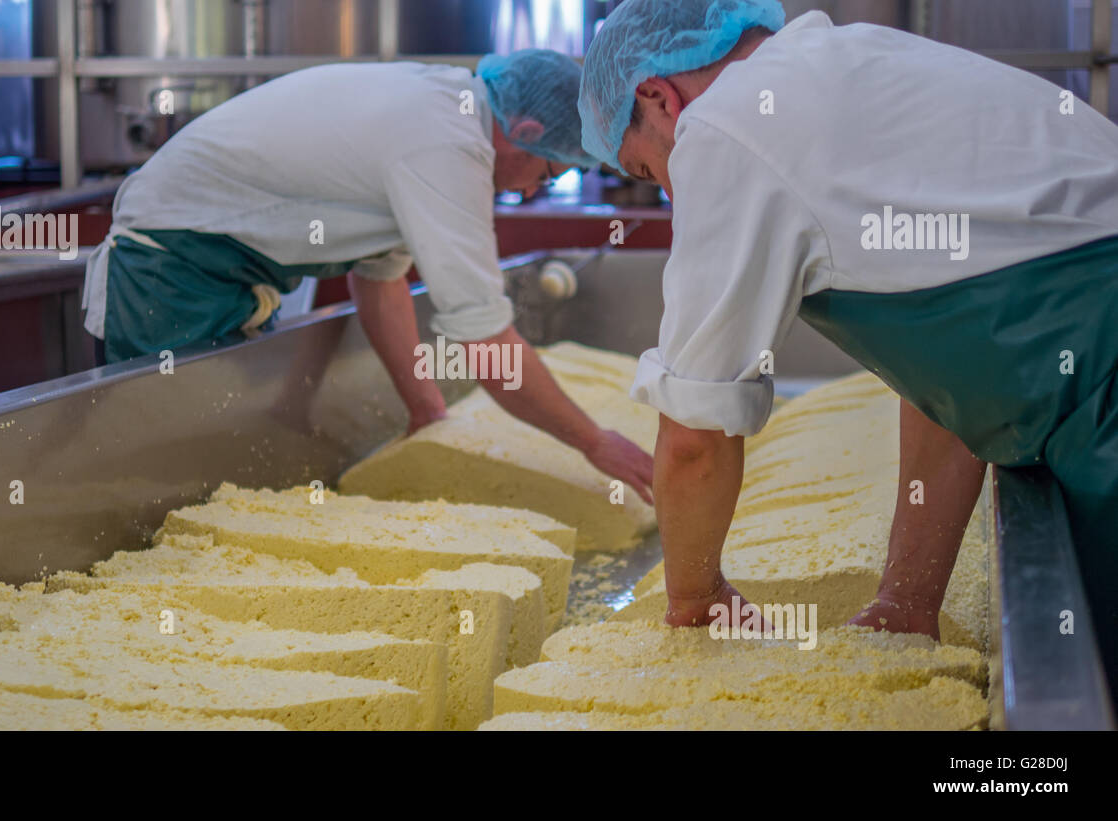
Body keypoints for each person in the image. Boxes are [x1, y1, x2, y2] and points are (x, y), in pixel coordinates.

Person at [580, 0, 1118, 678]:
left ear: (658, 98)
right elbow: (949, 379)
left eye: (645, 171)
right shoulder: (858, 61)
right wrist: (908, 599)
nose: (667, 192)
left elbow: (695, 437)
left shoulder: (726, 127)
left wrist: (694, 598)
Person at [82, 49, 654, 502]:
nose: (531, 192)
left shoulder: (444, 109)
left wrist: (427, 410)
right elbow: (486, 341)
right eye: (547, 174)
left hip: (220, 265)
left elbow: (381, 283)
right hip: (171, 264)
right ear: (525, 129)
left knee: (210, 463)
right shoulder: (447, 143)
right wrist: (595, 443)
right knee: (163, 469)